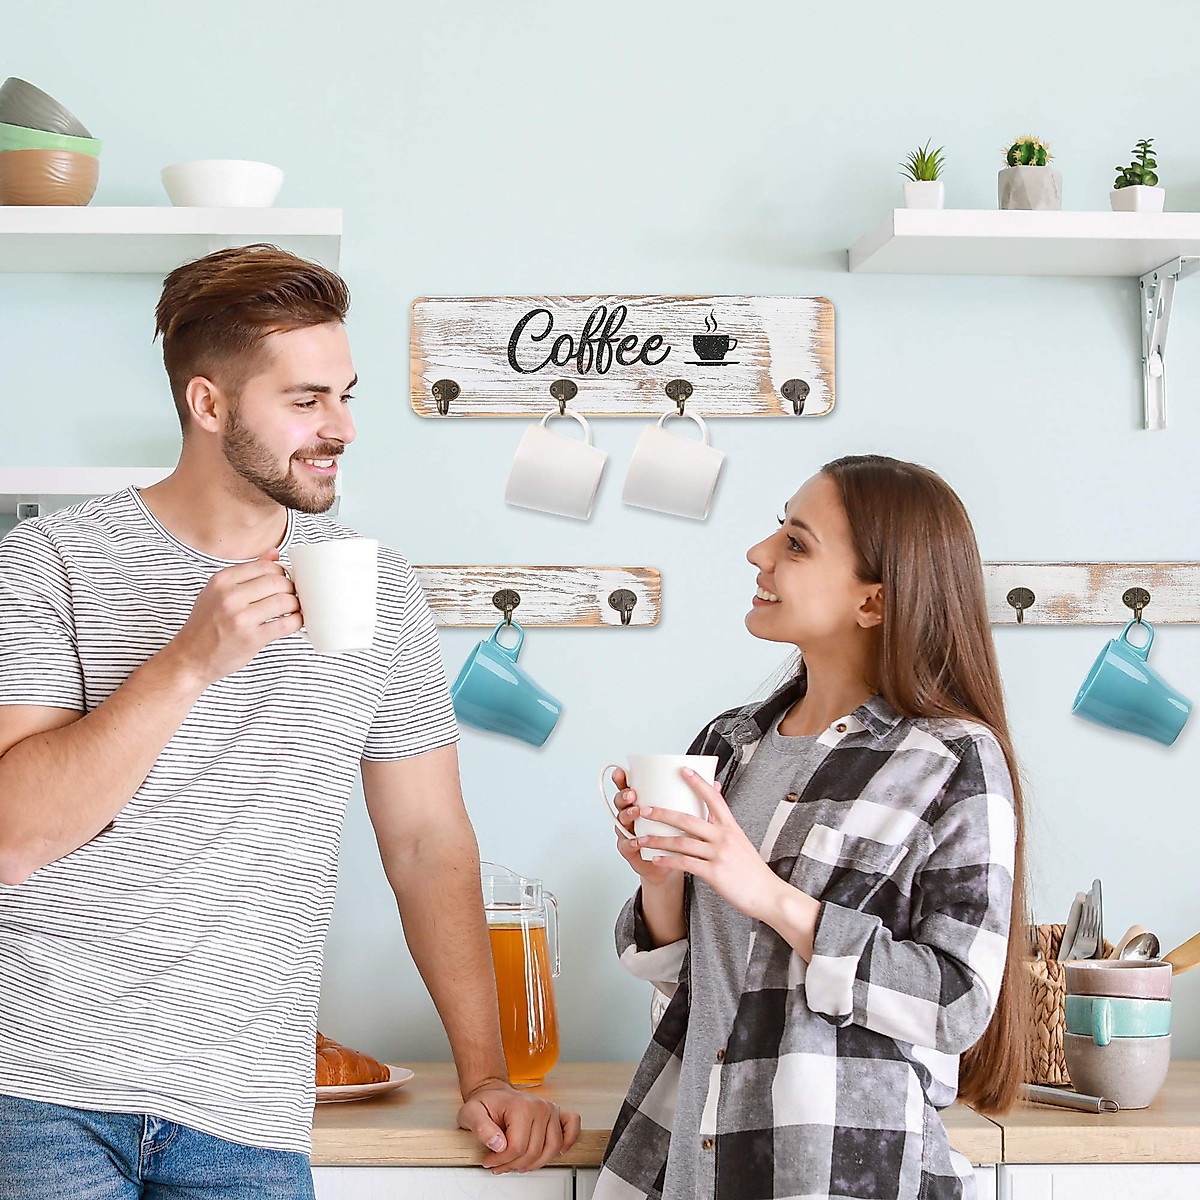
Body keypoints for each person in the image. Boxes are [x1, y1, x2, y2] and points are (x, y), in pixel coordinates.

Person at [0, 244, 580, 1198]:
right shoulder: (50, 564)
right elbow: (17, 836)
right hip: (43, 1093)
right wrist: (189, 661)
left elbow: (430, 841)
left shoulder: (378, 586)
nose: (343, 427)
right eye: (306, 400)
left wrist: (486, 1075)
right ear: (209, 404)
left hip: (251, 1109)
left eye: (347, 395)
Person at [595, 455, 1030, 1200]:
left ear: (873, 603)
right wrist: (663, 884)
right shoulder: (731, 744)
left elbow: (958, 1001)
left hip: (838, 1177)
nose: (759, 554)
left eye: (796, 544)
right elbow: (699, 987)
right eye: (777, 531)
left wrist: (770, 896)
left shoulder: (951, 760)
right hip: (689, 1169)